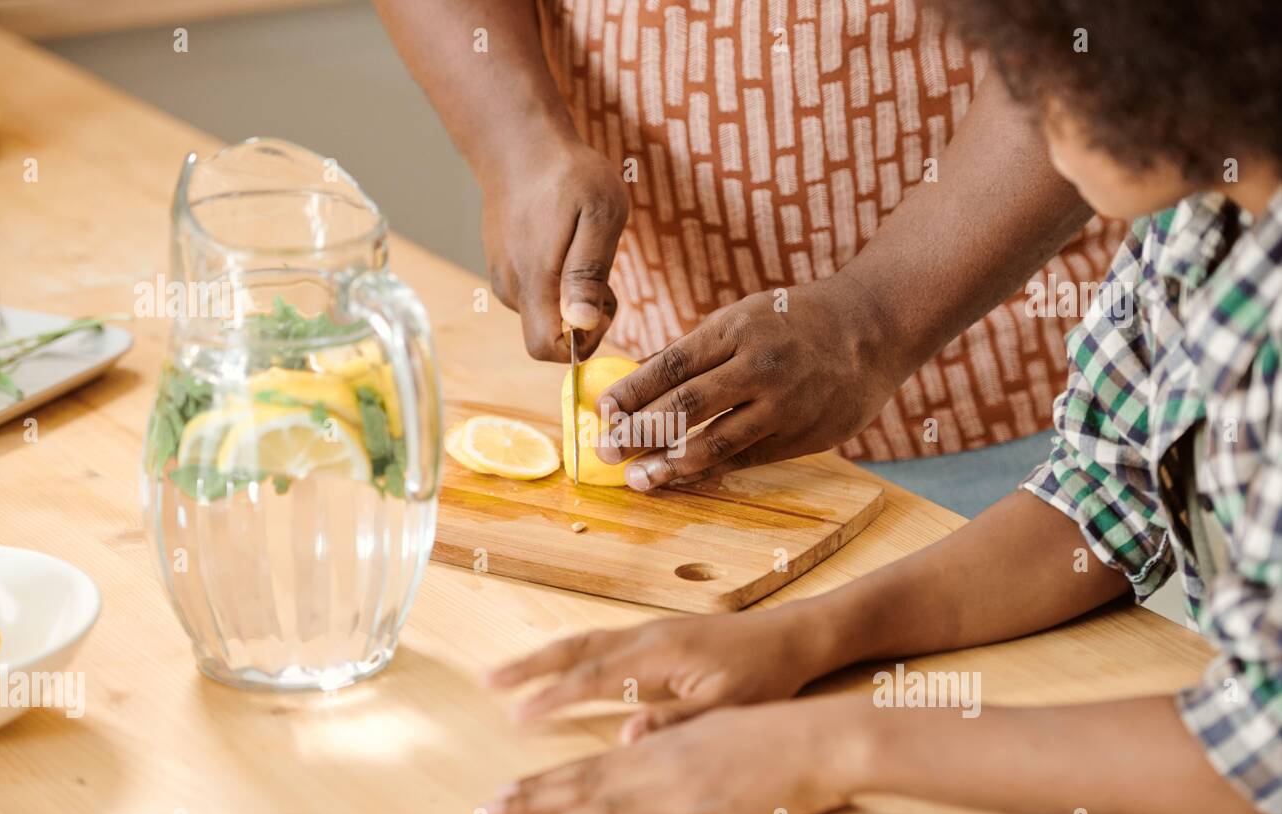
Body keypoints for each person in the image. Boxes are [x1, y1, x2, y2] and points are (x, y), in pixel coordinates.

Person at [481, 0, 1282, 814]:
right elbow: (1102, 493)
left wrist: (835, 748)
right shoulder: (1198, 220)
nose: (1004, 111)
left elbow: (1265, 749)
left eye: (1027, 69)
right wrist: (803, 639)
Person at [376, 0, 1125, 513]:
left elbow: (1123, 32)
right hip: (655, 397)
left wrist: (877, 316)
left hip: (998, 410)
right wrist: (514, 145)